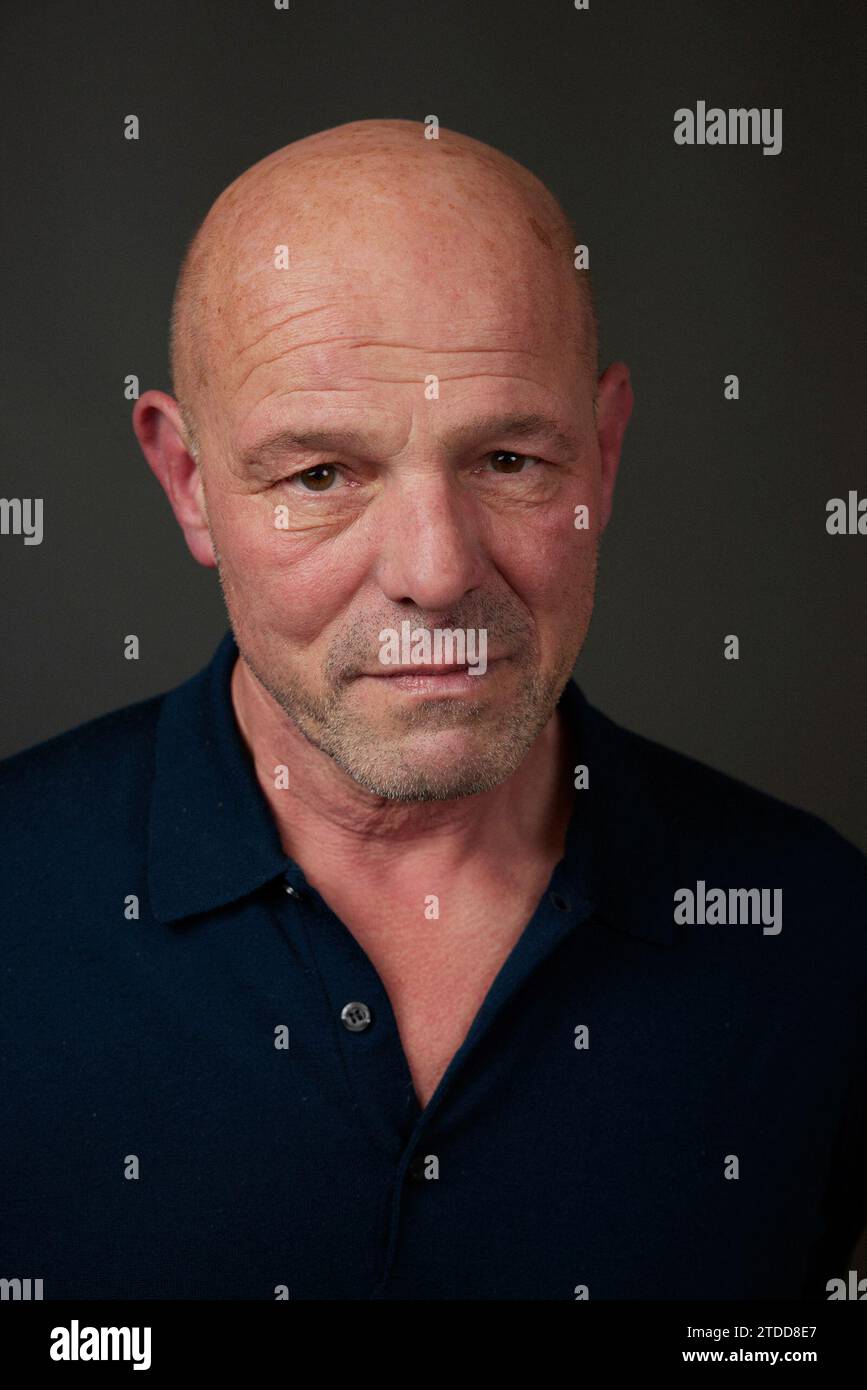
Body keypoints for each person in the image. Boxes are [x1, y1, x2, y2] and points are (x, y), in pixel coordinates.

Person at [1, 119, 864, 1301]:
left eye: (509, 458)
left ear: (604, 456)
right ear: (189, 485)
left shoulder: (820, 937)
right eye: (320, 474)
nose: (437, 567)